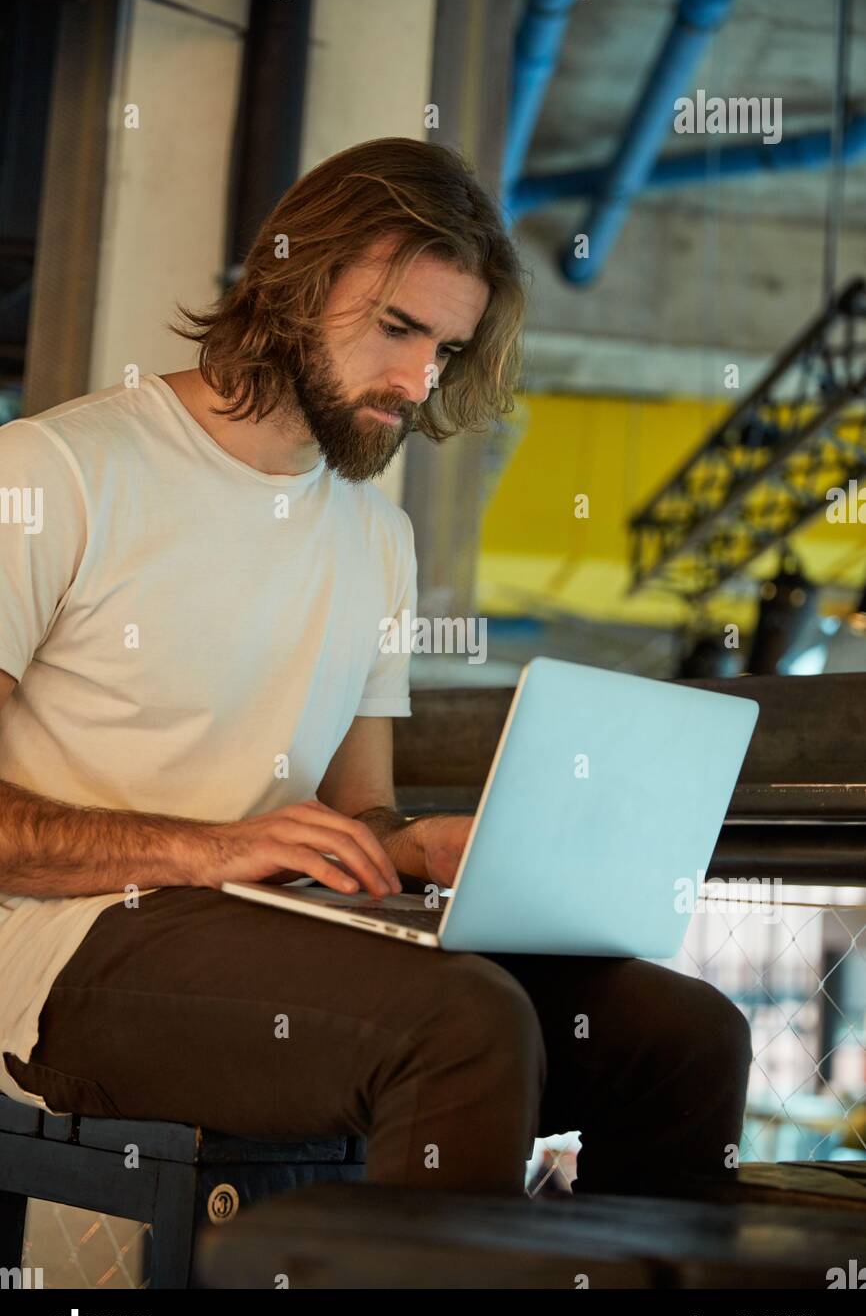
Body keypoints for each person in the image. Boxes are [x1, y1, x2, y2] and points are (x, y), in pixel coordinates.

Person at [0, 137, 751, 1200]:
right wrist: (213, 848)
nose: (414, 380)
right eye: (397, 327)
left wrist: (422, 846)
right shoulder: (54, 471)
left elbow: (363, 809)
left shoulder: (375, 536)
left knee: (687, 1037)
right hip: (64, 952)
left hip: (272, 921)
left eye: (443, 349)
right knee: (463, 1022)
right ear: (292, 277)